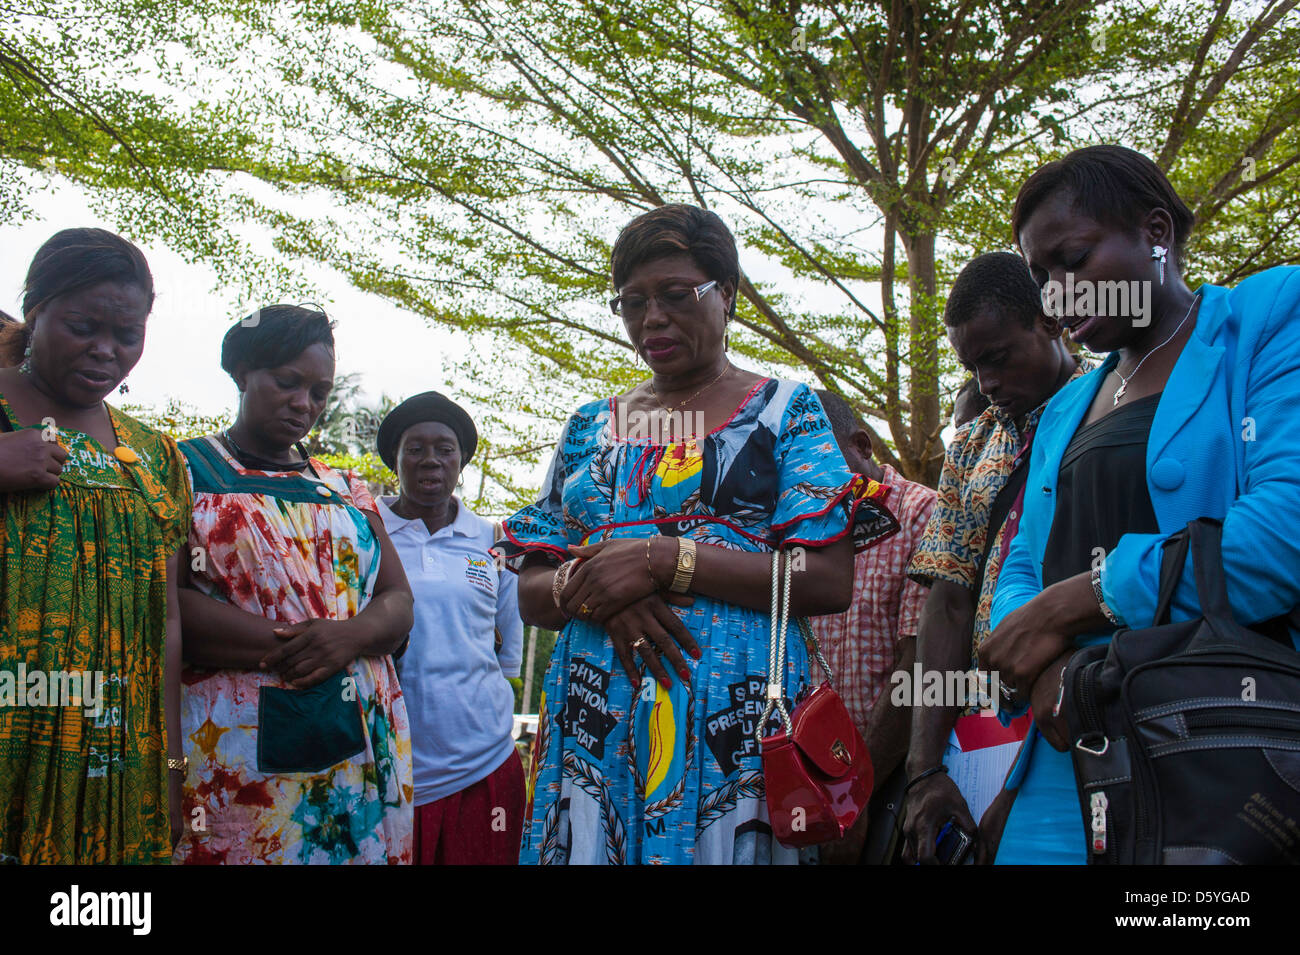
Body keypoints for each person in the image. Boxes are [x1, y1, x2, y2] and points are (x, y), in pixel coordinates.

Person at [495, 203, 899, 865]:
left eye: (676, 295)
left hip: (730, 730)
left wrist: (663, 558)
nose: (651, 317)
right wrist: (601, 590)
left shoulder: (782, 411)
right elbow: (534, 592)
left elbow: (826, 580)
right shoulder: (589, 428)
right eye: (632, 301)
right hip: (599, 721)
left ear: (727, 296)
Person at [985, 145, 1300, 864]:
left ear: (1156, 231)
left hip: (1220, 751)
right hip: (1066, 744)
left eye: (1073, 259)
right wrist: (1035, 657)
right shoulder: (1066, 407)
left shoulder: (1268, 319)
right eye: (1041, 278)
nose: (1058, 298)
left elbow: (1281, 534)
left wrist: (1079, 602)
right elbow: (1024, 559)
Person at [173, 304, 415, 865]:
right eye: (287, 383)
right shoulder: (184, 472)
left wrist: (350, 637)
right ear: (242, 373)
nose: (303, 404)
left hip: (361, 739)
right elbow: (170, 603)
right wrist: (306, 644)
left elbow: (397, 598)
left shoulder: (342, 487)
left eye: (319, 392)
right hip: (234, 744)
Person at [0, 228, 191, 863]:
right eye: (83, 326)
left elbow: (165, 622)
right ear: (36, 312)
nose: (105, 351)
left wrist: (170, 762)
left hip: (117, 757)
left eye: (126, 336)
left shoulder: (155, 457)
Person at [901, 251, 1089, 863]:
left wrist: (1025, 781)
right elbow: (948, 601)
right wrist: (926, 770)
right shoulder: (974, 443)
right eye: (971, 366)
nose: (985, 382)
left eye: (997, 357)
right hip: (979, 736)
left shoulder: (1109, 414)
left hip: (1076, 724)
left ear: (1051, 322)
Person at [373, 391, 526, 865]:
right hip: (386, 764)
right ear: (394, 461)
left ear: (462, 461)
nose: (431, 461)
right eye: (414, 449)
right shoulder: (363, 530)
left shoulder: (494, 541)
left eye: (445, 449)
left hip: (483, 764)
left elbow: (502, 659)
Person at [809, 389, 936, 864]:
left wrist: (853, 795)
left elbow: (918, 667)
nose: (811, 478)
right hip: (808, 784)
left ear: (861, 445)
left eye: (823, 460)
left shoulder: (924, 514)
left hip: (891, 782)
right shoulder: (799, 528)